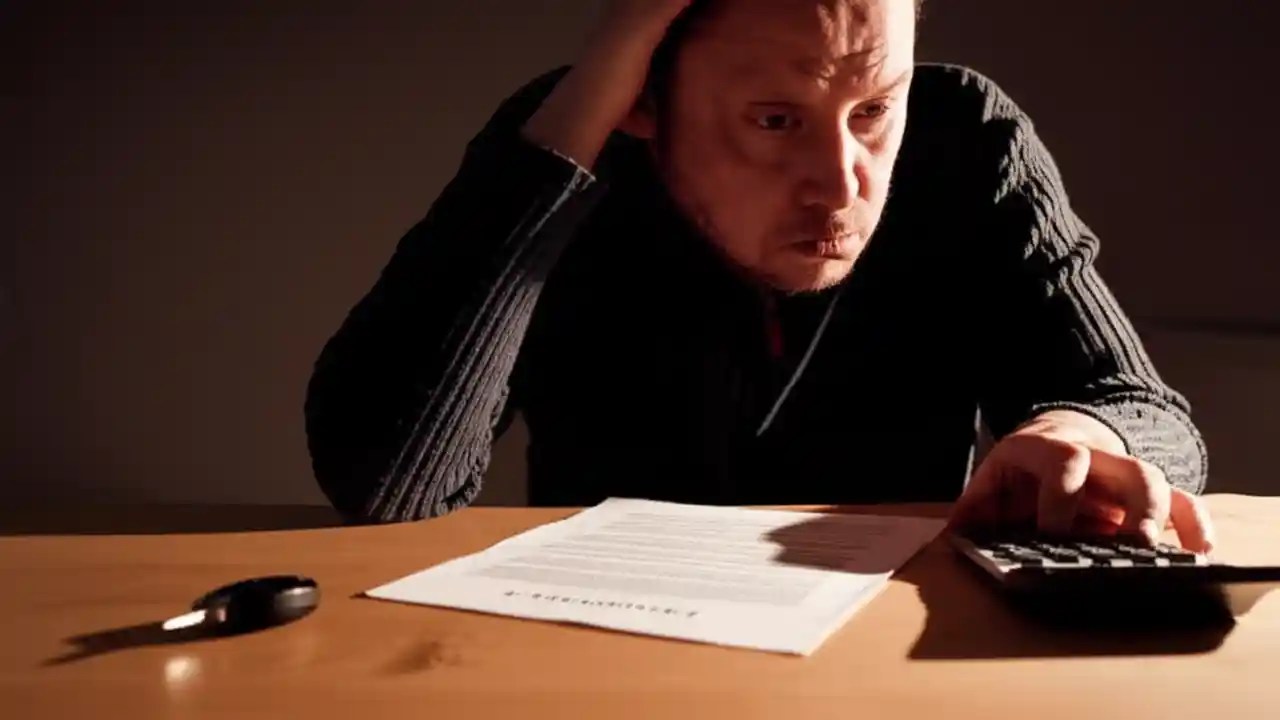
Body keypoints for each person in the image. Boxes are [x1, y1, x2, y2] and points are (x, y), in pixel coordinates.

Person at [303, 0, 1214, 551]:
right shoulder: (572, 148)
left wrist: (1080, 431)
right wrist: (558, 150)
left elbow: (1148, 414)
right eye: (776, 121)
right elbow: (387, 484)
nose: (844, 180)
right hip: (601, 668)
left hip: (885, 668)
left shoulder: (967, 139)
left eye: (874, 109)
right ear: (645, 98)